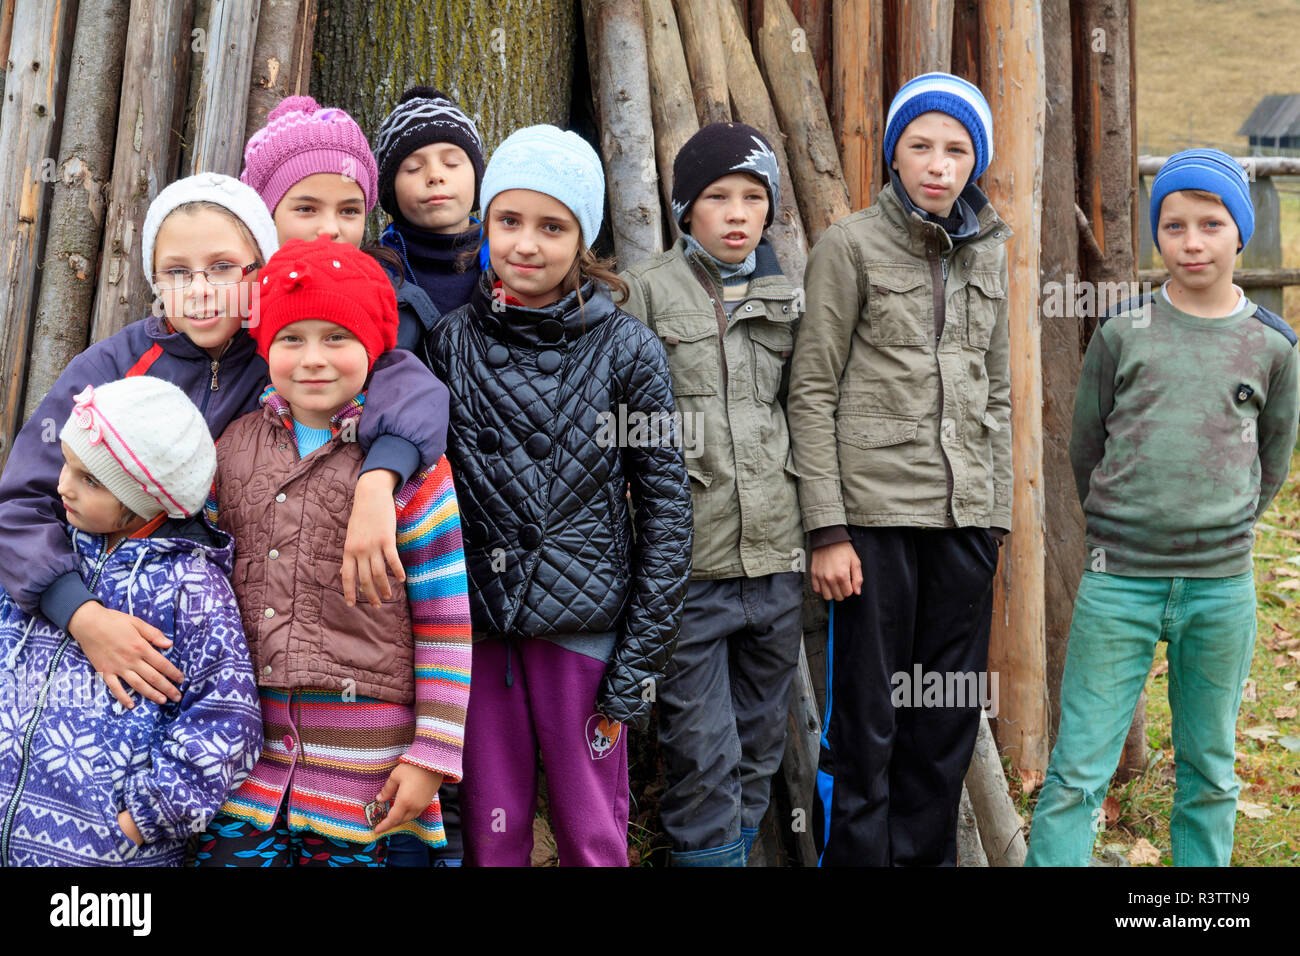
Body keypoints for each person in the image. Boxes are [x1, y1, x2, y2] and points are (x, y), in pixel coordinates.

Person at [0, 173, 449, 716]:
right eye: (177, 272)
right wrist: (79, 613)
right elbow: (22, 500)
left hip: (231, 626)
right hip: (97, 607)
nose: (201, 289)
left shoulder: (286, 355)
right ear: (154, 279)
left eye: (222, 267)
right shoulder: (113, 367)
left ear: (260, 271)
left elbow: (409, 384)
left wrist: (380, 480)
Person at [420, 125, 693, 866]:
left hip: (584, 638)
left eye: (553, 226)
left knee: (591, 835)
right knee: (491, 831)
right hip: (479, 630)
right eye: (509, 221)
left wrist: (636, 664)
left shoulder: (627, 350)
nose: (527, 244)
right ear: (486, 225)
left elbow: (668, 512)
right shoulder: (450, 345)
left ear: (584, 239)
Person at [1026, 148, 1298, 867]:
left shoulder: (1272, 345)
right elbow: (1087, 447)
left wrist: (1223, 523)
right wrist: (1125, 525)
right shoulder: (1122, 334)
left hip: (1220, 588)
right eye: (1174, 225)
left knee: (1210, 768)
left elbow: (1272, 460)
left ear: (1239, 232)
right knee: (1078, 767)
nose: (1193, 241)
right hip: (1119, 583)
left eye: (1211, 224)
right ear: (1158, 235)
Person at [787, 72, 1012, 865]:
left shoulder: (991, 254)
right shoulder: (848, 247)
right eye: (921, 145)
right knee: (867, 727)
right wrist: (827, 529)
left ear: (974, 162)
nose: (938, 165)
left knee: (943, 725)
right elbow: (809, 390)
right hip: (871, 529)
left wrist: (993, 522)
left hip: (963, 530)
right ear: (893, 154)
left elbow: (1000, 395)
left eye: (956, 150)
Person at [193, 238, 472, 867]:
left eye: (336, 338)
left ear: (373, 346)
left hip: (369, 777)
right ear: (264, 348)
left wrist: (434, 752)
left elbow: (445, 617)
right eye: (291, 339)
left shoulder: (412, 472)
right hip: (244, 771)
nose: (313, 359)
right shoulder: (229, 452)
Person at [619, 123, 804, 866]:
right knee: (702, 754)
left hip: (777, 564)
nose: (736, 213)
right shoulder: (645, 295)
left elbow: (808, 411)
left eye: (753, 198)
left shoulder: (789, 296)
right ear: (684, 208)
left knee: (760, 749)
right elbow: (619, 428)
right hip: (689, 576)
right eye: (717, 197)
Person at [0, 377, 261, 866]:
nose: (62, 487)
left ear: (145, 501)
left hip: (102, 858)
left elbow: (229, 721)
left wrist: (143, 819)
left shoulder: (192, 588)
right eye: (67, 467)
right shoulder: (50, 558)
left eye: (90, 480)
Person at [372, 87, 487, 351]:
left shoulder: (508, 262)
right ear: (391, 190)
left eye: (452, 163)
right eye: (413, 167)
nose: (435, 175)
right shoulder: (373, 274)